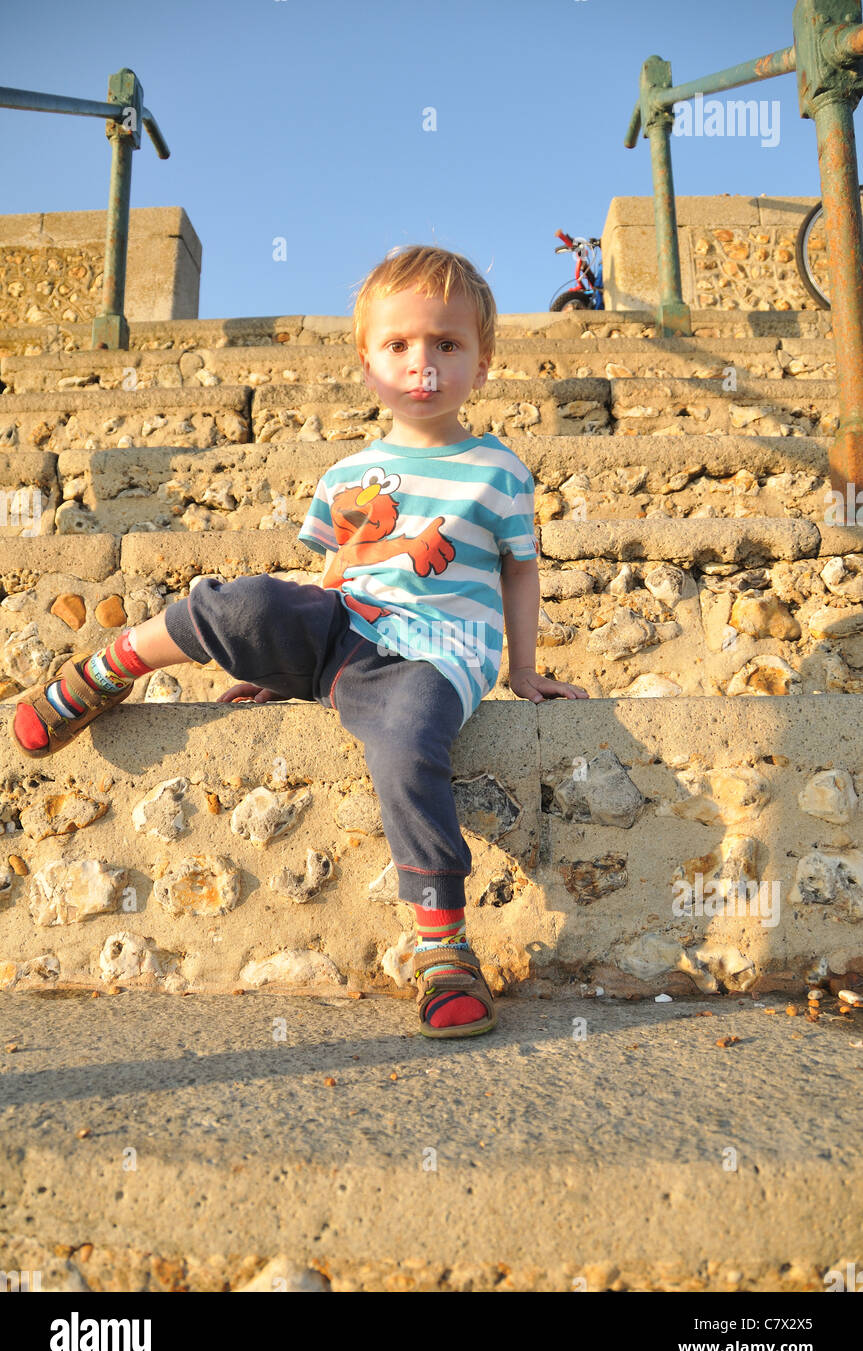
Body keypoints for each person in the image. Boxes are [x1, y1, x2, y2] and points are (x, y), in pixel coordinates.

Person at [10, 244, 588, 1038]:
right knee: (244, 602)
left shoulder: (497, 472)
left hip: (432, 654)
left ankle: (442, 945)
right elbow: (328, 576)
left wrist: (523, 670)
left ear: (482, 364)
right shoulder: (347, 473)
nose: (422, 364)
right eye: (398, 345)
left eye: (446, 344)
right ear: (367, 365)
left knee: (407, 742)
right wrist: (287, 669)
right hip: (340, 630)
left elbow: (520, 573)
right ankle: (109, 668)